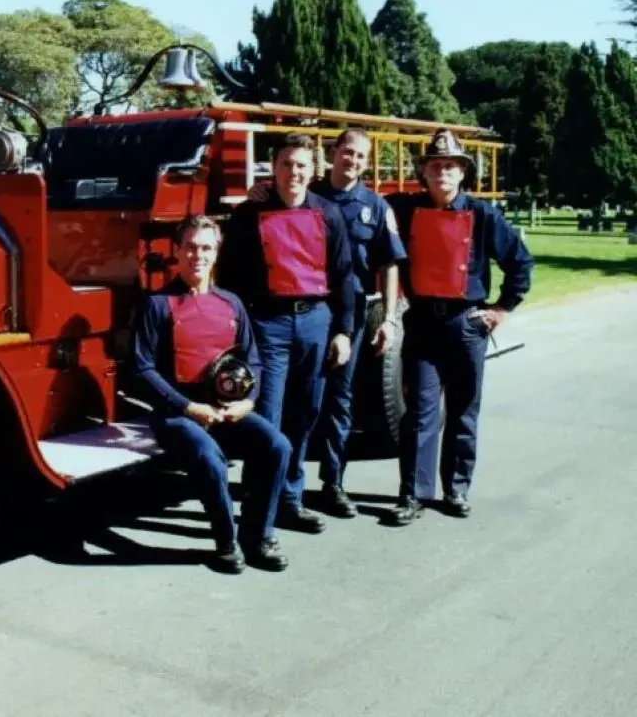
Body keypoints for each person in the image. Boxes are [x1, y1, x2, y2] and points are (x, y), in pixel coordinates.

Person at [385, 129, 534, 525]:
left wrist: (502, 308)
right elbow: (353, 202)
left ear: (462, 173)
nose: (443, 173)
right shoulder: (405, 208)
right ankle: (413, 493)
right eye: (435, 166)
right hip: (422, 324)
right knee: (420, 411)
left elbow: (520, 261)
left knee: (464, 410)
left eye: (450, 166)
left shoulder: (483, 214)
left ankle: (456, 488)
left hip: (466, 323)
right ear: (425, 173)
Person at [130, 215, 292, 573]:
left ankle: (259, 535)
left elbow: (253, 362)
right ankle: (225, 541)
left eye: (205, 248)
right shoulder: (156, 304)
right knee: (208, 455)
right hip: (176, 412)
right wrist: (188, 407)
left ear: (216, 253)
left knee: (277, 446)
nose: (197, 255)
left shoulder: (231, 303)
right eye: (190, 247)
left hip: (226, 408)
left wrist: (247, 403)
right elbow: (141, 369)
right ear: (177, 251)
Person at [217, 134, 356, 535]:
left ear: (313, 170)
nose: (293, 172)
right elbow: (229, 278)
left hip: (315, 321)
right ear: (272, 168)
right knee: (268, 416)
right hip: (268, 325)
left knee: (305, 413)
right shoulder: (248, 215)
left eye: (301, 165)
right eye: (286, 164)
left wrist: (343, 331)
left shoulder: (329, 214)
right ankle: (261, 508)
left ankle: (291, 499)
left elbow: (345, 278)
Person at [307, 129, 408, 517]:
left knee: (340, 401)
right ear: (334, 153)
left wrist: (391, 318)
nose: (352, 161)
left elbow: (389, 263)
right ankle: (282, 484)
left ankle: (333, 483)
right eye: (347, 152)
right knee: (300, 399)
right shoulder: (307, 197)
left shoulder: (376, 207)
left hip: (356, 312)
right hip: (312, 309)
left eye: (361, 157)